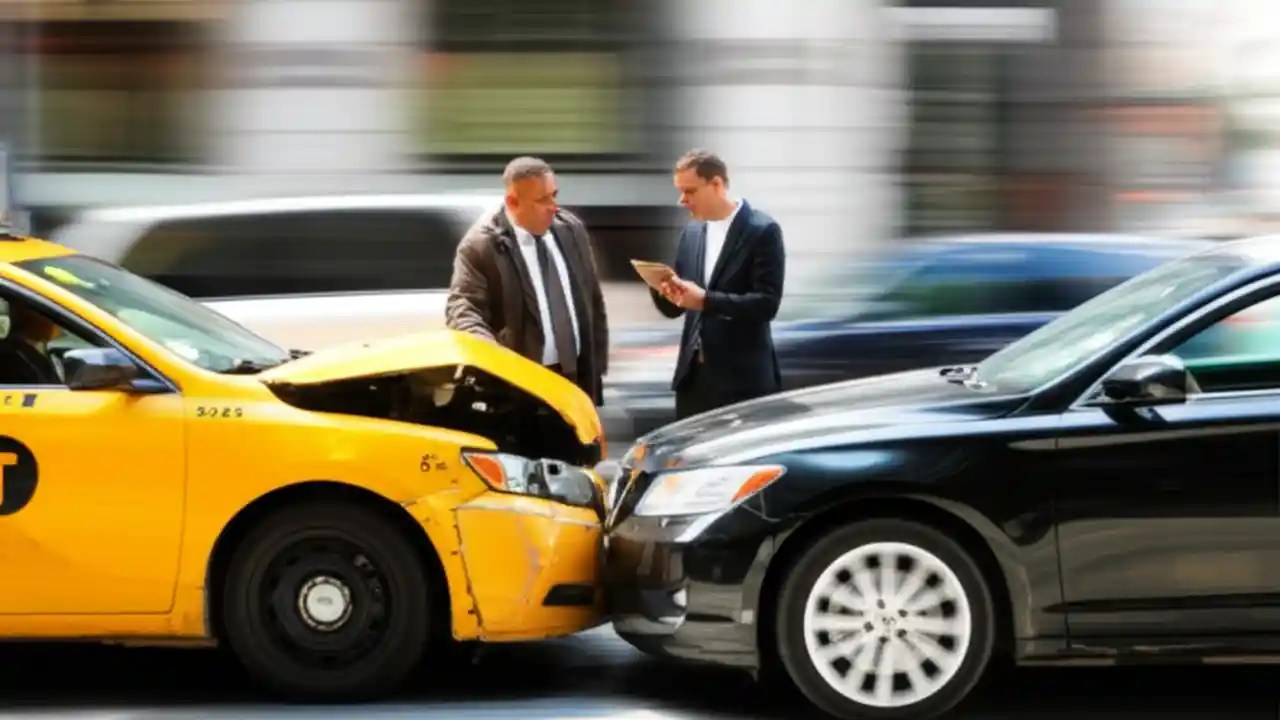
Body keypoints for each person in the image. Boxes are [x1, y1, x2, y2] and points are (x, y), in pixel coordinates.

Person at [445, 156, 609, 405]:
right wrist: (494, 360)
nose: (553, 207)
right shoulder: (482, 246)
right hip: (523, 387)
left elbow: (593, 299)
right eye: (542, 200)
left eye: (554, 195)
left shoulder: (570, 229)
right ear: (513, 201)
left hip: (577, 379)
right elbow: (463, 310)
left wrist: (597, 370)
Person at [652, 149, 785, 419]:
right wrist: (662, 288)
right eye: (680, 192)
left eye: (689, 191)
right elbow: (678, 307)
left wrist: (705, 300)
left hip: (742, 385)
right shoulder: (692, 231)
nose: (682, 201)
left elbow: (766, 304)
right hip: (694, 384)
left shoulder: (762, 230)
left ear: (716, 184)